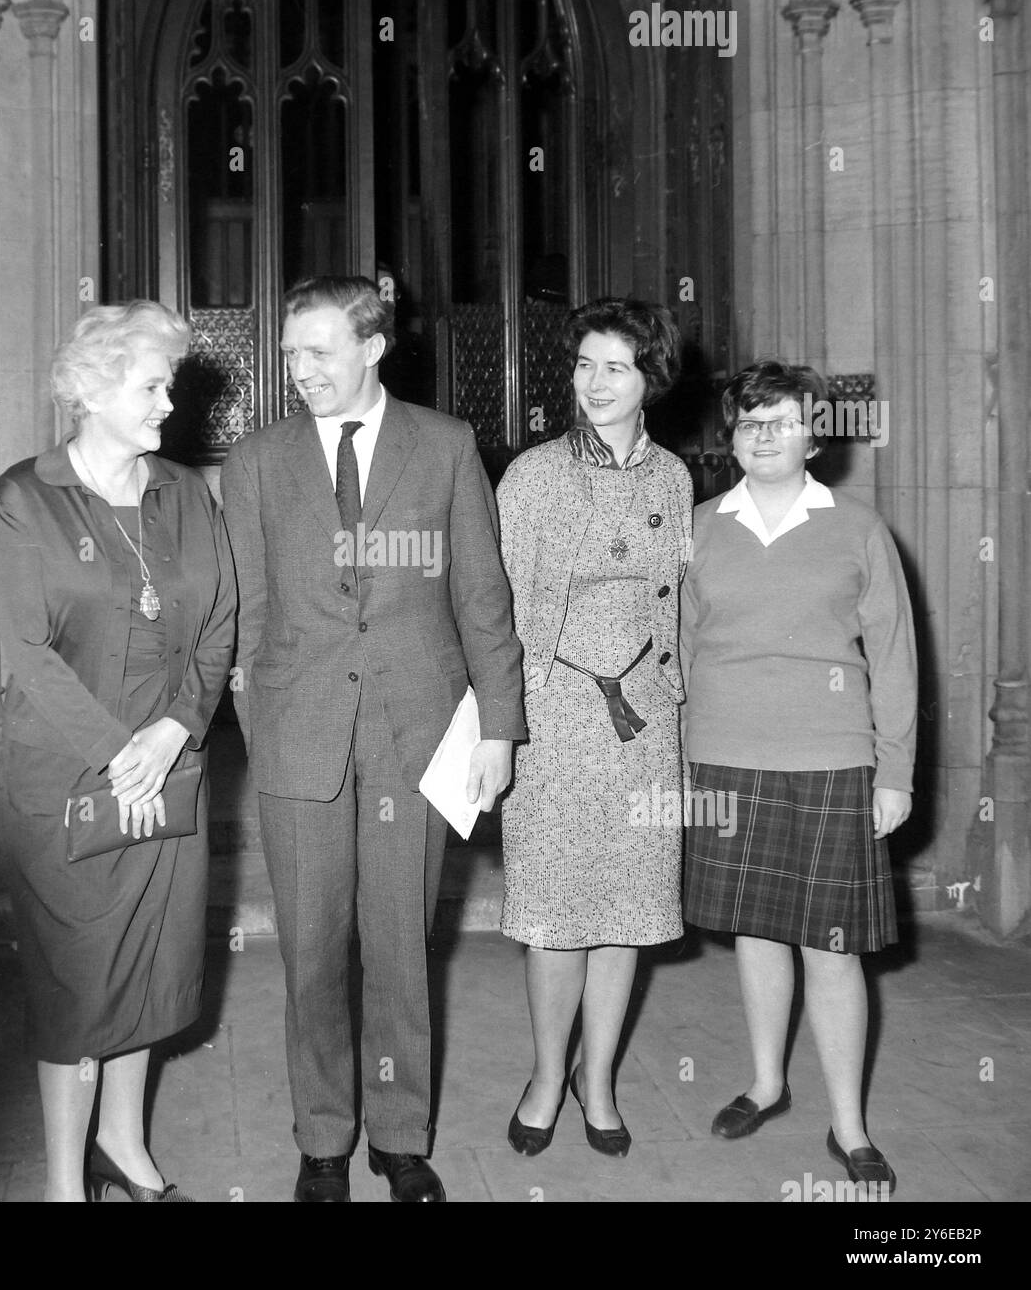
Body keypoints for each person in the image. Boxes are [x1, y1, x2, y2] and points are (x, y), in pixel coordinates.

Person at [220, 275, 525, 1202]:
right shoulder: (257, 460)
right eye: (288, 352)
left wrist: (500, 728)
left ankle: (398, 1138)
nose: (297, 369)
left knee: (398, 945)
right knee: (310, 951)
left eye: (317, 351)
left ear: (372, 346)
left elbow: (480, 593)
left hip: (416, 735)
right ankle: (321, 1141)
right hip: (299, 734)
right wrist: (263, 722)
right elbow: (245, 612)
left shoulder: (444, 445)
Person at [0, 301, 236, 1203]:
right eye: (152, 385)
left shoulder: (183, 493)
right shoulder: (26, 497)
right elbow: (25, 652)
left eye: (170, 384)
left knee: (155, 966)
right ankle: (60, 1183)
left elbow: (219, 626)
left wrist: (173, 731)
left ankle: (123, 1144)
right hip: (69, 775)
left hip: (173, 762)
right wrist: (119, 753)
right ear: (91, 391)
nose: (169, 404)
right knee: (77, 983)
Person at [681, 359, 916, 1191]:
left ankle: (848, 1125)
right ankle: (766, 1082)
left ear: (814, 435)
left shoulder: (855, 529)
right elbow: (676, 651)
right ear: (730, 438)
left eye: (781, 422)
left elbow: (891, 657)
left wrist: (894, 774)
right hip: (725, 756)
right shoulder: (700, 527)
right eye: (749, 423)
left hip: (829, 758)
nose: (764, 437)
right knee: (754, 932)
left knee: (832, 946)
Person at [496, 298, 692, 1158]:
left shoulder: (674, 479)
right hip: (554, 715)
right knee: (553, 911)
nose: (596, 383)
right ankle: (547, 1074)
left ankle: (598, 1078)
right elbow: (495, 611)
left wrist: (677, 696)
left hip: (644, 721)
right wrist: (499, 721)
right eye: (584, 364)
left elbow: (677, 600)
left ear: (650, 377)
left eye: (616, 366)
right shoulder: (533, 475)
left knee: (628, 907)